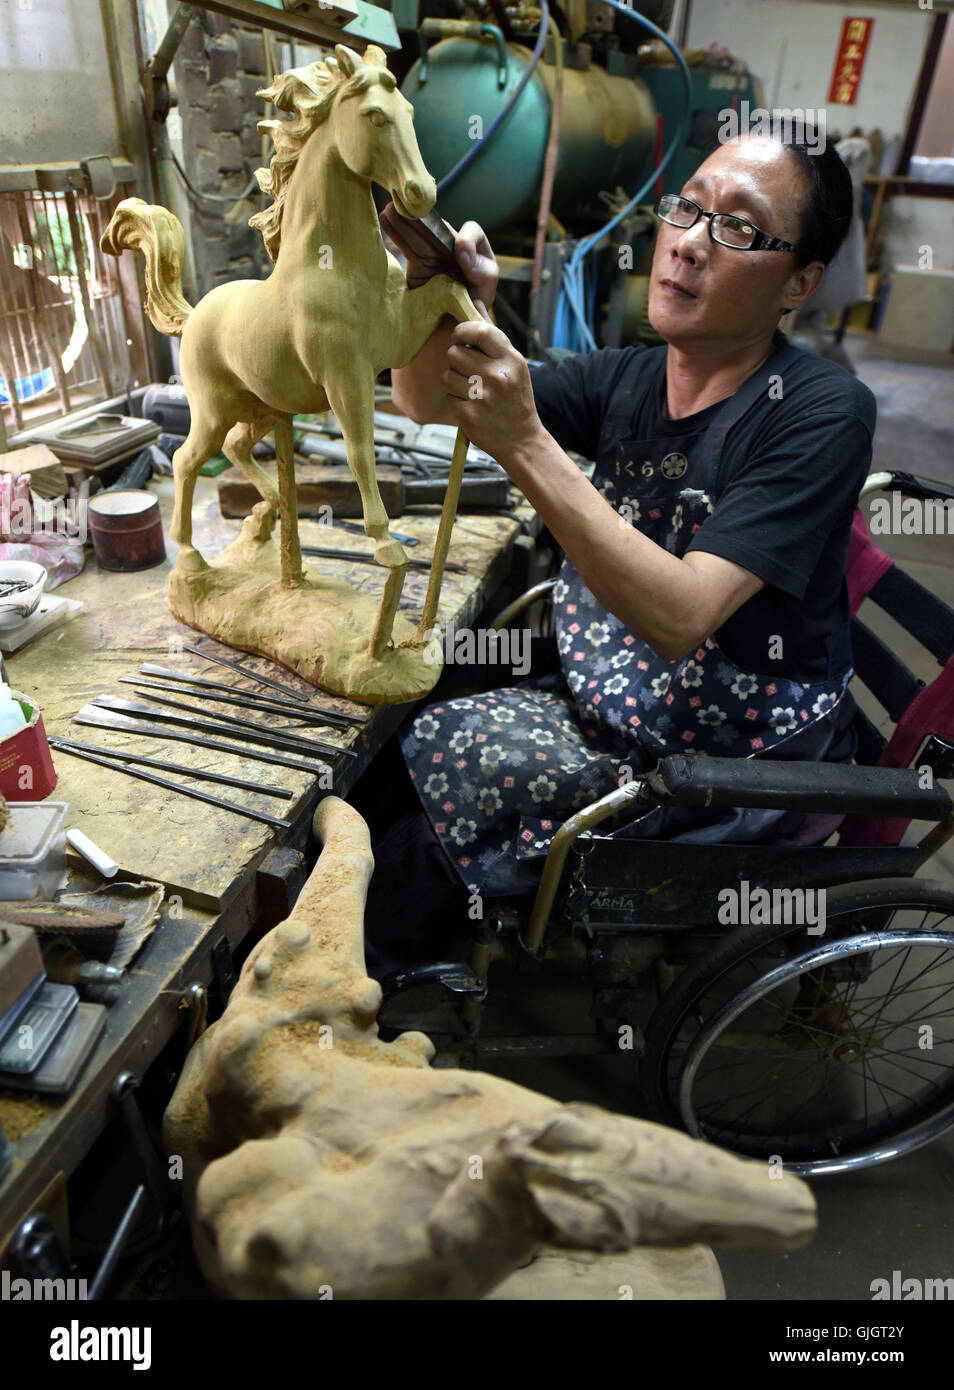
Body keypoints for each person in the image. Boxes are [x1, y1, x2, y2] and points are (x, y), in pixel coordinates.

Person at [360, 130, 876, 976]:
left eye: (739, 229)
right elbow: (421, 400)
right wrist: (445, 297)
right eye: (688, 207)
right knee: (390, 758)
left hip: (720, 754)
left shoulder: (818, 412)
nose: (689, 244)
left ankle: (368, 997)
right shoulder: (631, 377)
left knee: (417, 845)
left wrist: (526, 441)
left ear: (801, 283)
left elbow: (681, 618)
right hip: (611, 700)